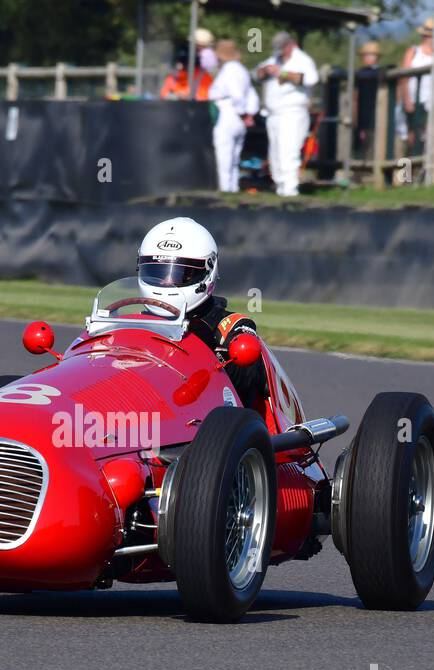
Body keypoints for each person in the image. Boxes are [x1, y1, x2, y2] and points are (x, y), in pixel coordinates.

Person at [135, 217, 267, 404]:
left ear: (208, 271)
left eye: (182, 273)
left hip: (213, 421)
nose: (166, 282)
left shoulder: (232, 328)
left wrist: (213, 355)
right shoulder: (134, 324)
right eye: (157, 273)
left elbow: (249, 379)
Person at [256, 31, 319, 197]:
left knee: (288, 151)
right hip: (273, 113)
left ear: (290, 45)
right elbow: (257, 73)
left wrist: (282, 73)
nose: (279, 51)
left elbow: (311, 79)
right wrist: (265, 71)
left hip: (292, 113)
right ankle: (280, 187)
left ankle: (290, 189)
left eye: (282, 48)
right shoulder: (274, 59)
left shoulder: (303, 60)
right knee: (275, 154)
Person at [208, 39, 259, 193]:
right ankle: (232, 187)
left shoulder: (229, 70)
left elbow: (237, 95)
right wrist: (249, 113)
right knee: (234, 157)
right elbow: (253, 96)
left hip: (229, 113)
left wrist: (243, 113)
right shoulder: (242, 70)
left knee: (224, 155)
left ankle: (225, 189)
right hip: (239, 116)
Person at [399, 18, 434, 158]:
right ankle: (407, 175)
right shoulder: (413, 52)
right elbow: (404, 77)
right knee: (412, 138)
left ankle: (426, 173)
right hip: (415, 100)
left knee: (432, 137)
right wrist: (406, 99)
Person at [353, 41, 382, 165]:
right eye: (365, 55)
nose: (367, 58)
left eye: (370, 55)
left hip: (375, 114)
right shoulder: (360, 73)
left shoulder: (379, 72)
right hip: (363, 115)